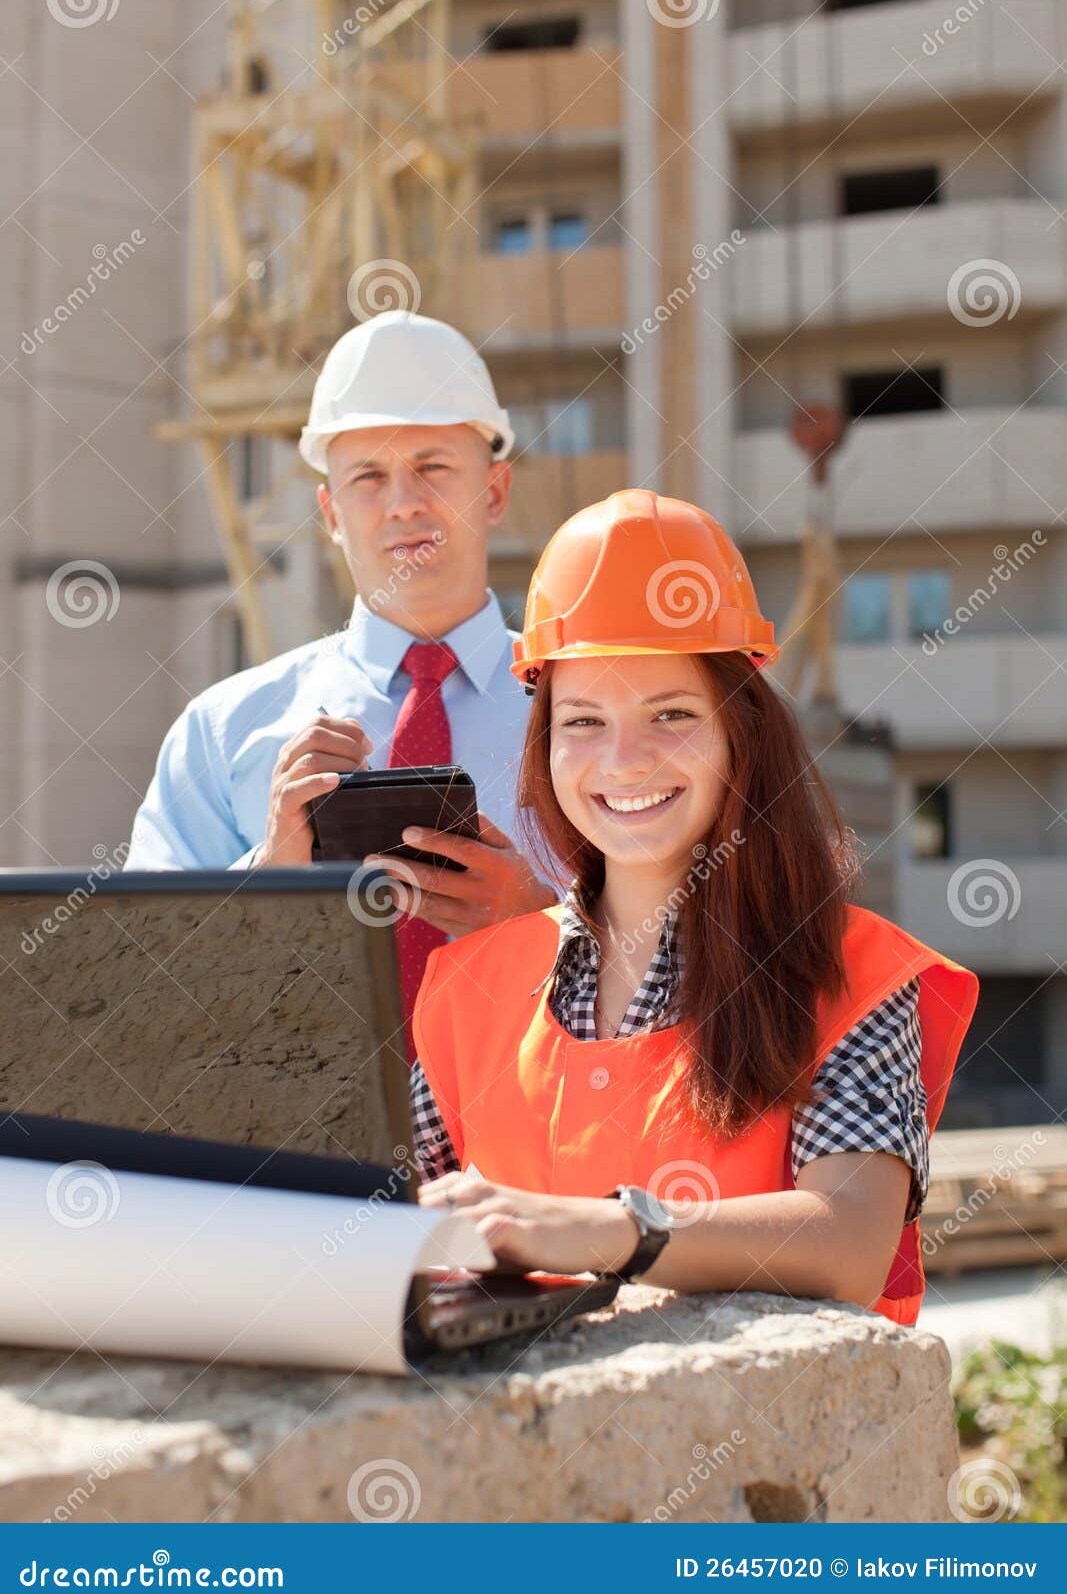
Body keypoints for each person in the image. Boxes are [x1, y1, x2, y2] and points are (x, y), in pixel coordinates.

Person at [410, 489, 979, 1323]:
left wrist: (611, 1231)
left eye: (671, 714)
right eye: (583, 720)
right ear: (543, 743)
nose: (623, 760)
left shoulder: (852, 974)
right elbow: (403, 1235)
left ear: (740, 734)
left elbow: (849, 1243)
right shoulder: (467, 987)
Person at [126, 311, 557, 1039]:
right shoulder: (224, 729)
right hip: (294, 1141)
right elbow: (135, 989)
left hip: (537, 1141)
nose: (402, 502)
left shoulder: (595, 717)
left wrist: (541, 926)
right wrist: (270, 878)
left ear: (493, 490)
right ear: (328, 510)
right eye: (367, 476)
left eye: (432, 465)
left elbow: (709, 953)